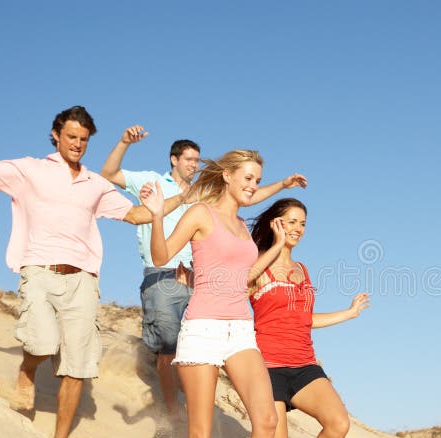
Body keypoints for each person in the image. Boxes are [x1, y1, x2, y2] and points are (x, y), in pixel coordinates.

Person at [0, 87, 189, 438]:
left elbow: (136, 214)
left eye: (83, 139)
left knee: (78, 365)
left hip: (83, 279)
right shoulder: (29, 170)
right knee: (42, 343)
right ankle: (27, 370)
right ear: (55, 135)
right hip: (40, 270)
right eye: (71, 137)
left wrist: (180, 198)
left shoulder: (95, 184)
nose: (77, 144)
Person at [139, 149, 299, 438]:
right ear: (227, 176)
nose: (253, 186)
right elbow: (160, 255)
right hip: (203, 329)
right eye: (248, 178)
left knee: (266, 420)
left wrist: (275, 248)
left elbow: (244, 279)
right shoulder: (201, 214)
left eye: (257, 180)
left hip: (240, 330)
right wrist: (158, 215)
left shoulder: (243, 227)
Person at [101, 128, 305, 419]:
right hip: (166, 273)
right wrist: (125, 145)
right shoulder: (156, 183)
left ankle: (187, 404)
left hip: (203, 281)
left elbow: (247, 196)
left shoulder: (208, 196)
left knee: (191, 351)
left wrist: (282, 186)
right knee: (169, 343)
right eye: (189, 159)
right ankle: (171, 409)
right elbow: (110, 174)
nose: (194, 165)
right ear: (174, 160)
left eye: (197, 160)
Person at [248, 198, 370, 438]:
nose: (298, 229)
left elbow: (305, 320)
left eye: (302, 223)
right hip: (268, 366)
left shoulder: (302, 270)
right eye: (291, 221)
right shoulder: (258, 267)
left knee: (338, 423)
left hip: (304, 363)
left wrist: (349, 313)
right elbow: (232, 294)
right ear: (276, 223)